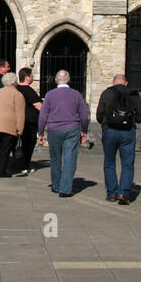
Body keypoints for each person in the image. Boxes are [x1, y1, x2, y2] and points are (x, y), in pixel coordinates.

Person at [38, 69, 89, 198]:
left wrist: (40, 132)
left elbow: (43, 115)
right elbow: (84, 114)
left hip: (54, 129)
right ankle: (65, 189)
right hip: (72, 128)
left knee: (55, 158)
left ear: (56, 80)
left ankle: (56, 185)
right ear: (69, 80)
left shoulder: (50, 95)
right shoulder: (76, 94)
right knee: (69, 159)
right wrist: (84, 130)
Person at [96, 74, 141, 205]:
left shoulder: (107, 93)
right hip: (128, 132)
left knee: (109, 162)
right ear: (126, 83)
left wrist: (105, 124)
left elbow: (99, 114)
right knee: (127, 164)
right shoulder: (134, 95)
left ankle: (111, 193)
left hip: (110, 131)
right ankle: (123, 192)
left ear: (113, 83)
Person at [0, 71, 26, 179]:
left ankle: (3, 168)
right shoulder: (17, 94)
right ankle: (1, 172)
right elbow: (20, 113)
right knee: (6, 149)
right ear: (14, 82)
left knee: (3, 147)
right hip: (9, 124)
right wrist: (20, 129)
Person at [16, 68, 43, 175]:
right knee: (29, 144)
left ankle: (18, 163)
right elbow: (38, 105)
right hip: (29, 122)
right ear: (27, 77)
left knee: (18, 144)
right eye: (32, 76)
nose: (33, 78)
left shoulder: (16, 88)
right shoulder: (28, 90)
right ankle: (25, 165)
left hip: (18, 120)